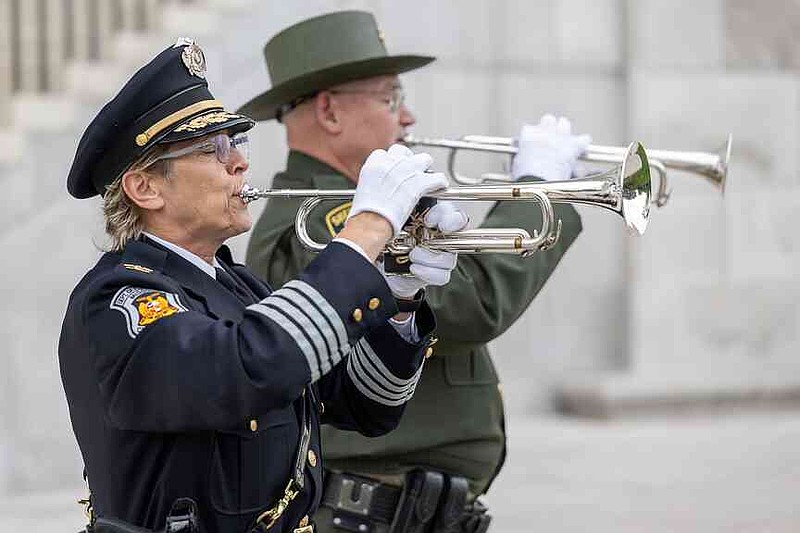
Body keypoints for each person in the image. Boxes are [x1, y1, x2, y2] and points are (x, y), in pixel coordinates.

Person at [59, 38, 460, 533]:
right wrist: (369, 228)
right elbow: (248, 367)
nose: (240, 164)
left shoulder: (236, 284)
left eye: (237, 144)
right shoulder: (118, 300)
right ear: (145, 187)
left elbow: (367, 404)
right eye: (215, 149)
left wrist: (398, 294)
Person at [239, 10, 590, 533]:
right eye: (390, 99)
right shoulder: (329, 220)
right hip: (373, 511)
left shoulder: (359, 209)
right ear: (330, 112)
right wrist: (536, 189)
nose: (408, 118)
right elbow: (470, 305)